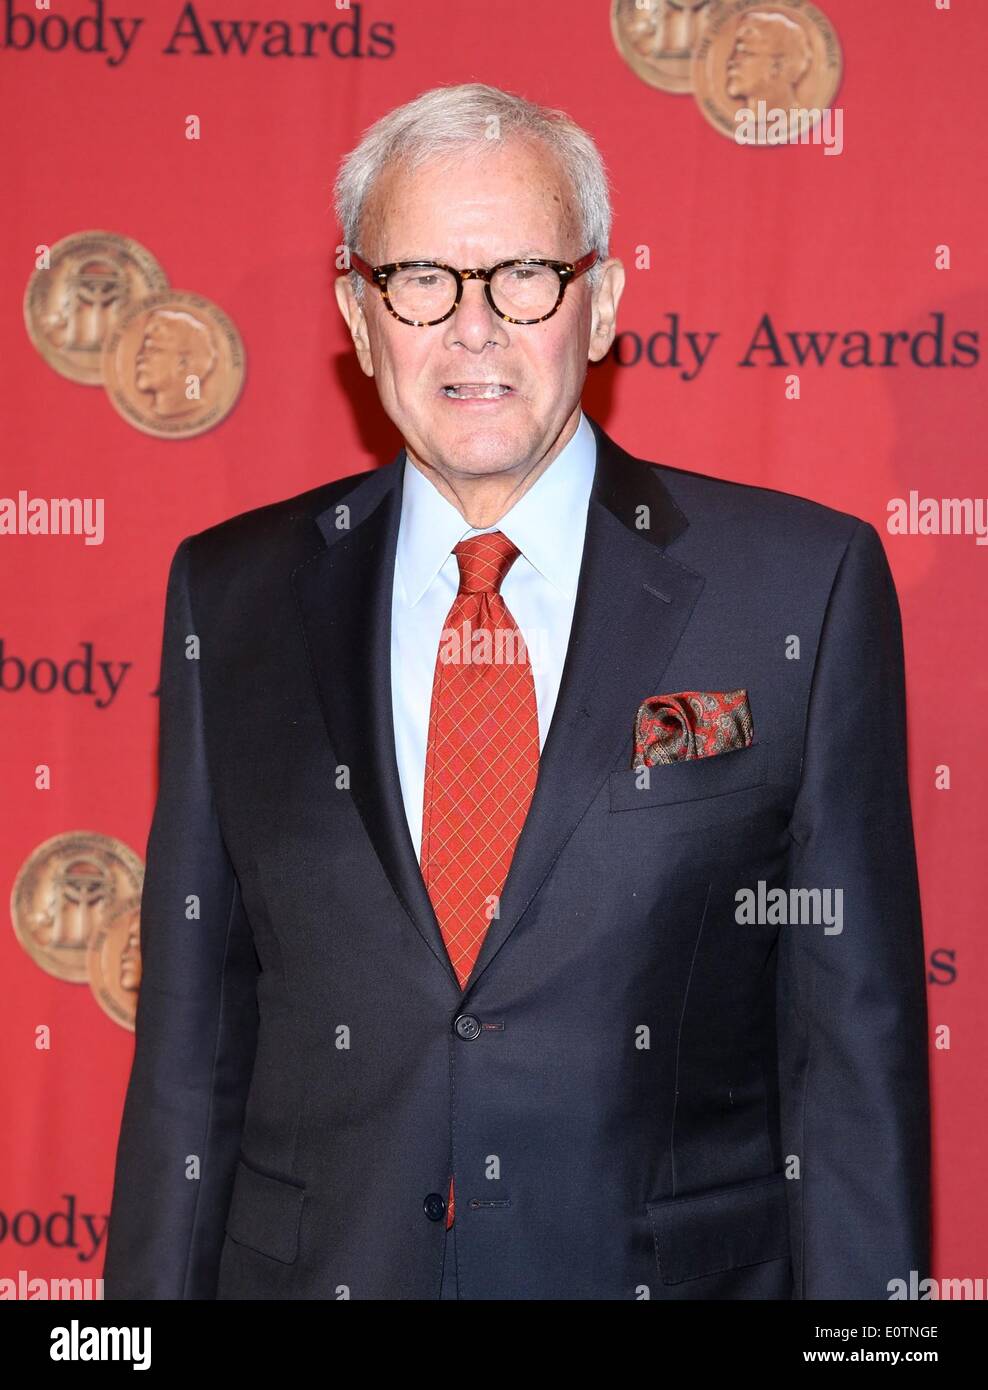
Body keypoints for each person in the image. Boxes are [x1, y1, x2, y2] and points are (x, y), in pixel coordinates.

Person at [102, 81, 930, 1301]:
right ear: (358, 313)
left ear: (600, 306)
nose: (472, 328)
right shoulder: (231, 596)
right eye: (421, 278)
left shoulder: (797, 589)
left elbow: (848, 1053)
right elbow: (193, 1040)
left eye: (525, 275)